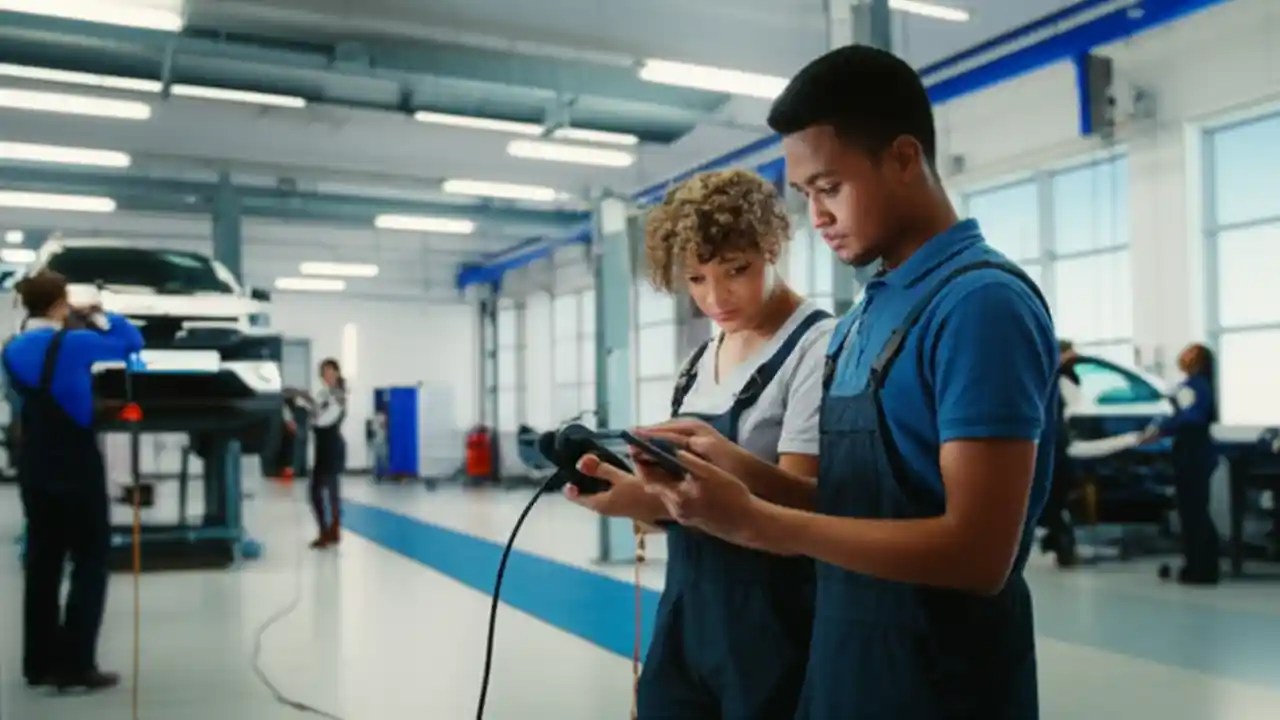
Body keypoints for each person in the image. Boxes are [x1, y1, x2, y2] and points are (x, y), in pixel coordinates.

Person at [631, 45, 1058, 719]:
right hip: (841, 667)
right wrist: (733, 469)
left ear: (903, 158)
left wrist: (760, 521)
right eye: (805, 196)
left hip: (942, 682)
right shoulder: (866, 315)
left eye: (830, 188)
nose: (818, 217)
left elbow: (978, 554)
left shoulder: (979, 305)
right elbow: (853, 499)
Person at [567, 169, 834, 719]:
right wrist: (634, 497)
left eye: (737, 271)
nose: (716, 297)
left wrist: (723, 457)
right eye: (696, 279)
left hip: (770, 620)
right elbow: (690, 501)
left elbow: (807, 502)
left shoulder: (816, 347)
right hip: (688, 610)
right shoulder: (700, 361)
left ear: (772, 248)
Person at [2, 271, 143, 691]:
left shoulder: (12, 349)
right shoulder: (76, 342)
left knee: (43, 562)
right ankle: (77, 665)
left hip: (35, 462)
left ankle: (39, 664)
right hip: (76, 461)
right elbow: (131, 343)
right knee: (89, 559)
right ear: (60, 302)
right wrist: (101, 313)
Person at [1141, 342, 1220, 585]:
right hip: (1189, 451)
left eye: (1189, 353)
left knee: (1194, 511)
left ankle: (1202, 568)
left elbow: (1191, 417)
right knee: (1190, 511)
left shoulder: (1198, 387)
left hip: (1194, 452)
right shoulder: (1190, 387)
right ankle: (1194, 565)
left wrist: (1162, 429)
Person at [1040, 339, 1081, 566]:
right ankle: (1060, 543)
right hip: (1054, 445)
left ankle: (1057, 541)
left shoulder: (1061, 376)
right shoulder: (1055, 376)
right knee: (1056, 499)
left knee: (1058, 499)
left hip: (1056, 443)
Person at [300, 359, 347, 548]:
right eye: (323, 372)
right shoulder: (323, 394)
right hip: (322, 447)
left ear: (336, 373)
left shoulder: (338, 395)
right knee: (321, 492)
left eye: (330, 371)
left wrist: (313, 412)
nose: (326, 375)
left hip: (332, 447)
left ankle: (328, 532)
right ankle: (329, 530)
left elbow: (321, 420)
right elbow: (314, 417)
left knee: (324, 492)